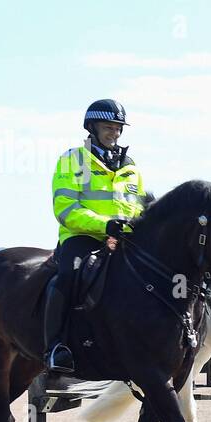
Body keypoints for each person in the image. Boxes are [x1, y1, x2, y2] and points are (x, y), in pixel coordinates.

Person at [45, 99, 146, 373]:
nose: (113, 132)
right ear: (92, 127)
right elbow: (65, 208)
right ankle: (56, 347)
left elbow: (138, 206)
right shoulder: (72, 159)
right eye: (107, 127)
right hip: (80, 237)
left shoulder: (131, 166)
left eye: (117, 127)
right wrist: (105, 225)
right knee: (69, 276)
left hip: (120, 239)